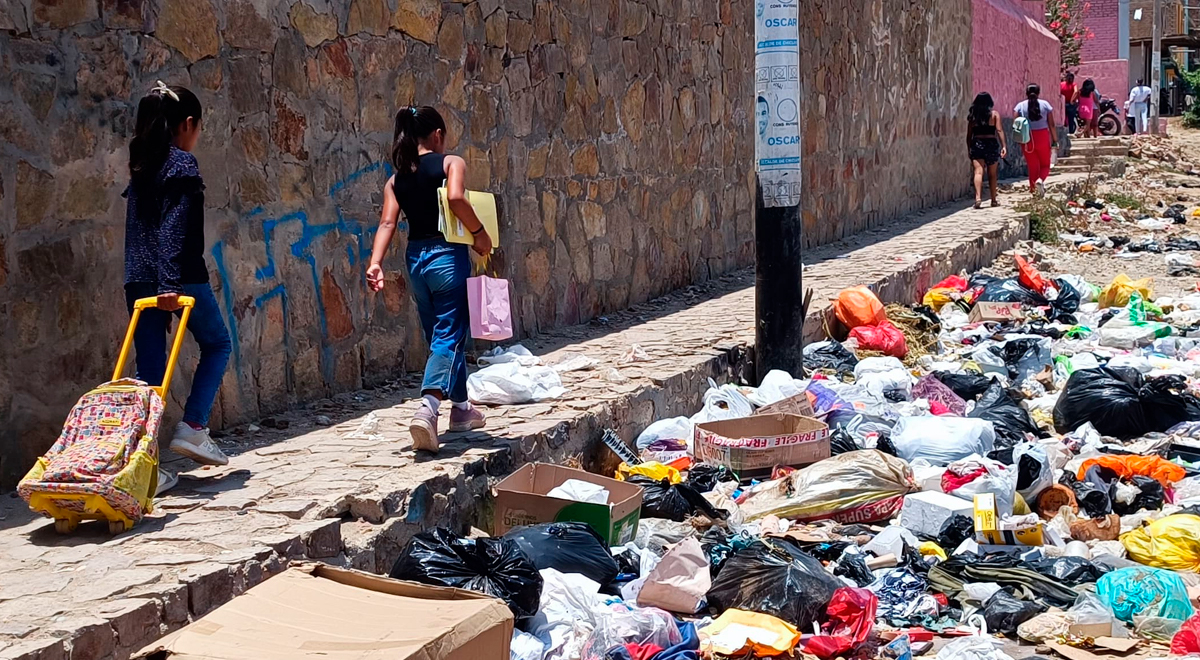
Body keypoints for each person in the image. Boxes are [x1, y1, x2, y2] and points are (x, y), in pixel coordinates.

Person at [124, 81, 232, 492]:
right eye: (198, 127)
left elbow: (138, 231)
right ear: (187, 124)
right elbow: (172, 228)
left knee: (150, 372)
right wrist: (169, 281)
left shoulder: (142, 164)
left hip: (137, 278)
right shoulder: (180, 165)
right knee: (218, 343)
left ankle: (142, 468)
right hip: (179, 275)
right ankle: (192, 427)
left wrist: (144, 279)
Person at [367, 106, 491, 453]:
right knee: (449, 336)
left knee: (440, 336)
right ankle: (429, 408)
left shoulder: (396, 180)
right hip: (447, 256)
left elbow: (388, 224)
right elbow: (455, 198)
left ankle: (463, 410)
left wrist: (376, 262)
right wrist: (479, 233)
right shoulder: (451, 163)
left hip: (416, 262)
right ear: (437, 134)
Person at [1014, 83, 1058, 196]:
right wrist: (1055, 140)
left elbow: (1016, 124)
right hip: (1042, 136)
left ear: (1026, 93)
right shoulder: (1045, 105)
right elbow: (1051, 124)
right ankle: (1041, 180)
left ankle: (1033, 190)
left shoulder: (1020, 106)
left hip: (1027, 138)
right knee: (1045, 164)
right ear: (1038, 93)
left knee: (1032, 166)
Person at [967, 92, 1008, 209]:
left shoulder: (973, 117)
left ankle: (978, 198)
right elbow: (999, 131)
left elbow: (969, 135)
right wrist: (1004, 146)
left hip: (977, 144)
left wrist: (969, 148)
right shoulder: (994, 115)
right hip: (991, 144)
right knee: (992, 174)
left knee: (978, 172)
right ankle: (993, 200)